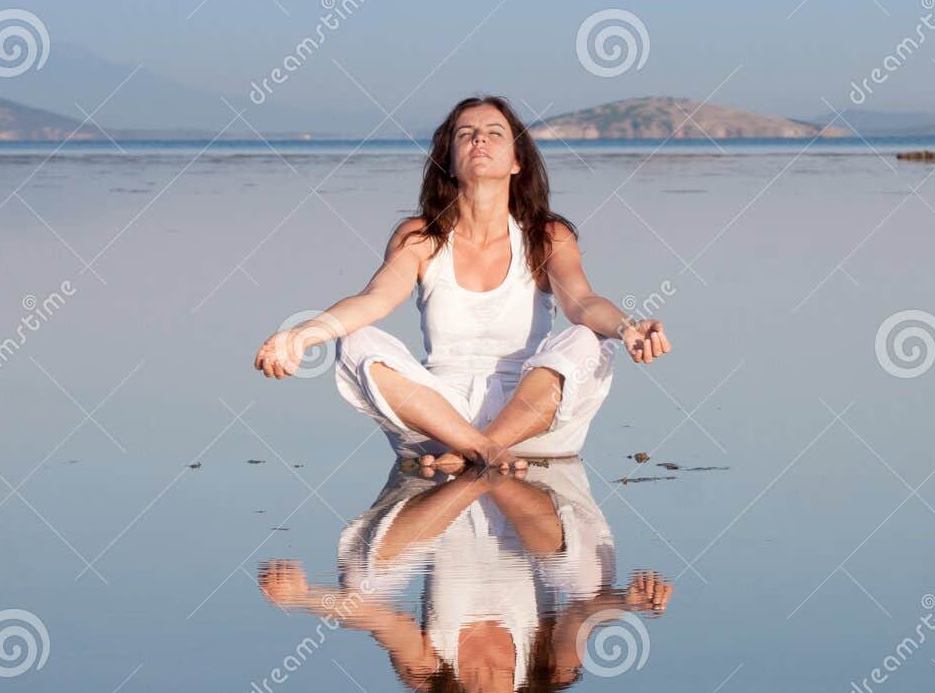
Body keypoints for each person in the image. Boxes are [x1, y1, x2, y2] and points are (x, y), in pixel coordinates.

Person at [252, 95, 671, 473]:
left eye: (494, 133)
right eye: (465, 134)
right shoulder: (421, 237)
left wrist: (627, 327)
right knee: (355, 340)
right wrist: (304, 334)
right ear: (450, 161)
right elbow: (375, 299)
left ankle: (473, 451)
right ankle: (481, 449)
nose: (479, 139)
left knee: (588, 338)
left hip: (534, 420)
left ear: (517, 161)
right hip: (438, 419)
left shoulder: (547, 235)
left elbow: (582, 301)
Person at [258, 461, 673, 693]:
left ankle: (478, 473)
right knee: (588, 581)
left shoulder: (428, 674)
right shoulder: (551, 671)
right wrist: (627, 601)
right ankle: (490, 471)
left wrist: (305, 597)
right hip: (533, 479)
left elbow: (383, 620)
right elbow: (583, 613)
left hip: (441, 485)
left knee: (363, 582)